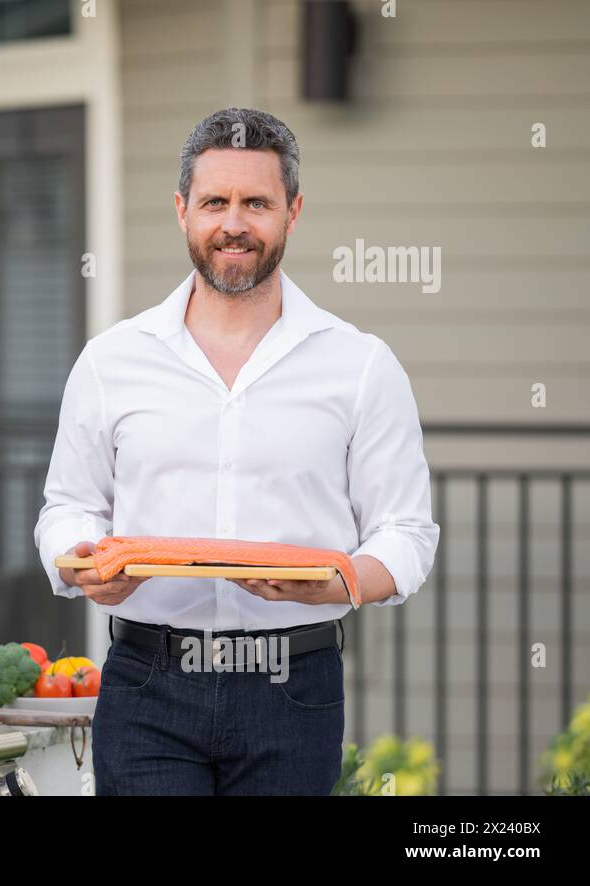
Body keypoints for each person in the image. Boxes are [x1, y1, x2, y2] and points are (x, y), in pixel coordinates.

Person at [33, 107, 439, 796]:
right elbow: (68, 508)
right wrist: (82, 566)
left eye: (257, 202)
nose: (234, 223)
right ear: (182, 210)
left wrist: (342, 580)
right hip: (148, 685)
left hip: (294, 689)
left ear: (293, 211)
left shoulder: (361, 365)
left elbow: (407, 533)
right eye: (215, 201)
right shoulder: (112, 360)